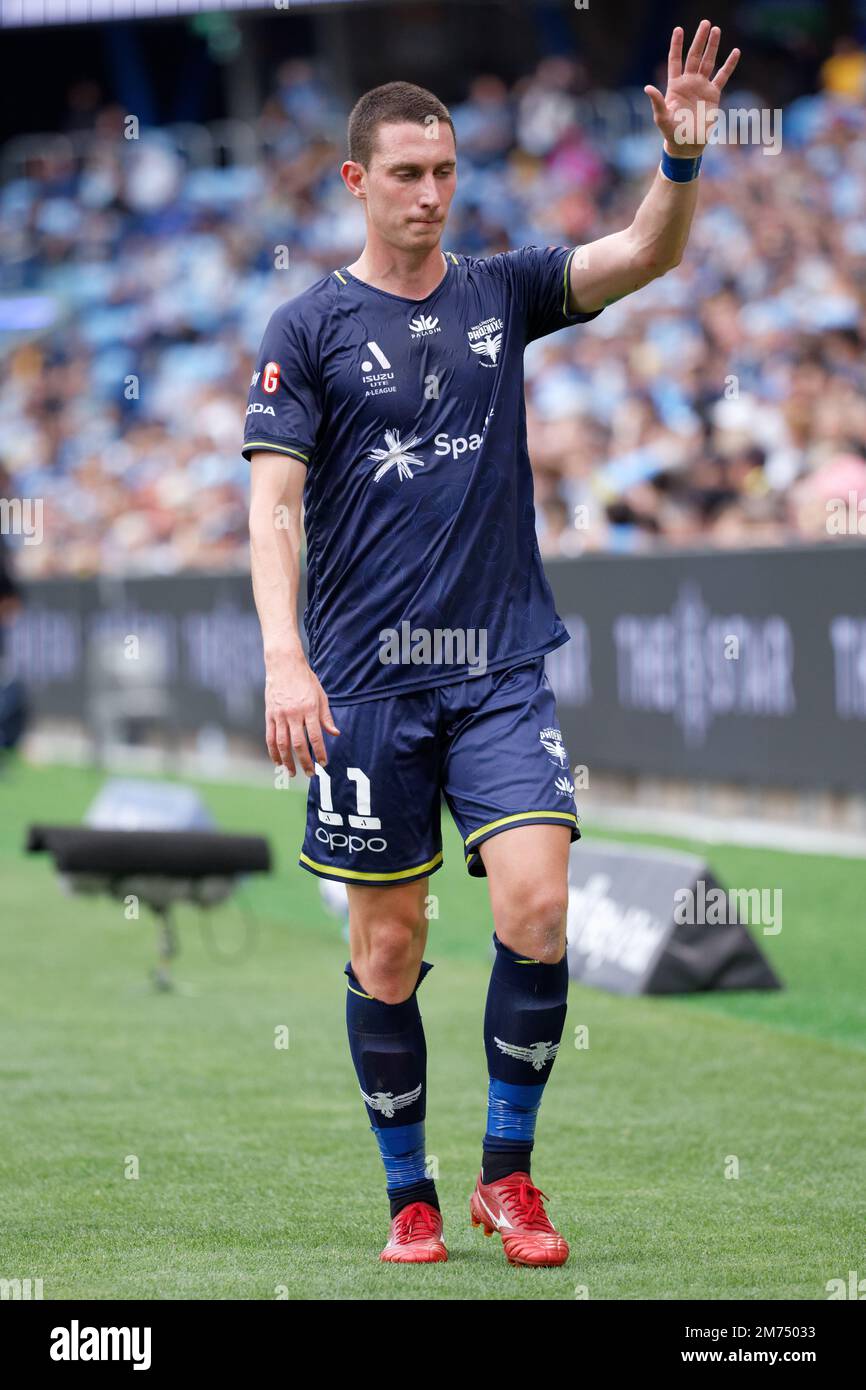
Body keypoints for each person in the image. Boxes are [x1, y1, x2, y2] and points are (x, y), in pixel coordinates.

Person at [244, 21, 739, 1267]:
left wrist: (676, 165)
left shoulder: (501, 289)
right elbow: (270, 508)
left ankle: (504, 1179)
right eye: (405, 173)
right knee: (388, 944)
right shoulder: (303, 330)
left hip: (496, 665)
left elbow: (639, 254)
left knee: (534, 903)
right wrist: (283, 659)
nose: (429, 192)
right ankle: (406, 1191)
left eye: (445, 169)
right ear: (354, 181)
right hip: (359, 680)